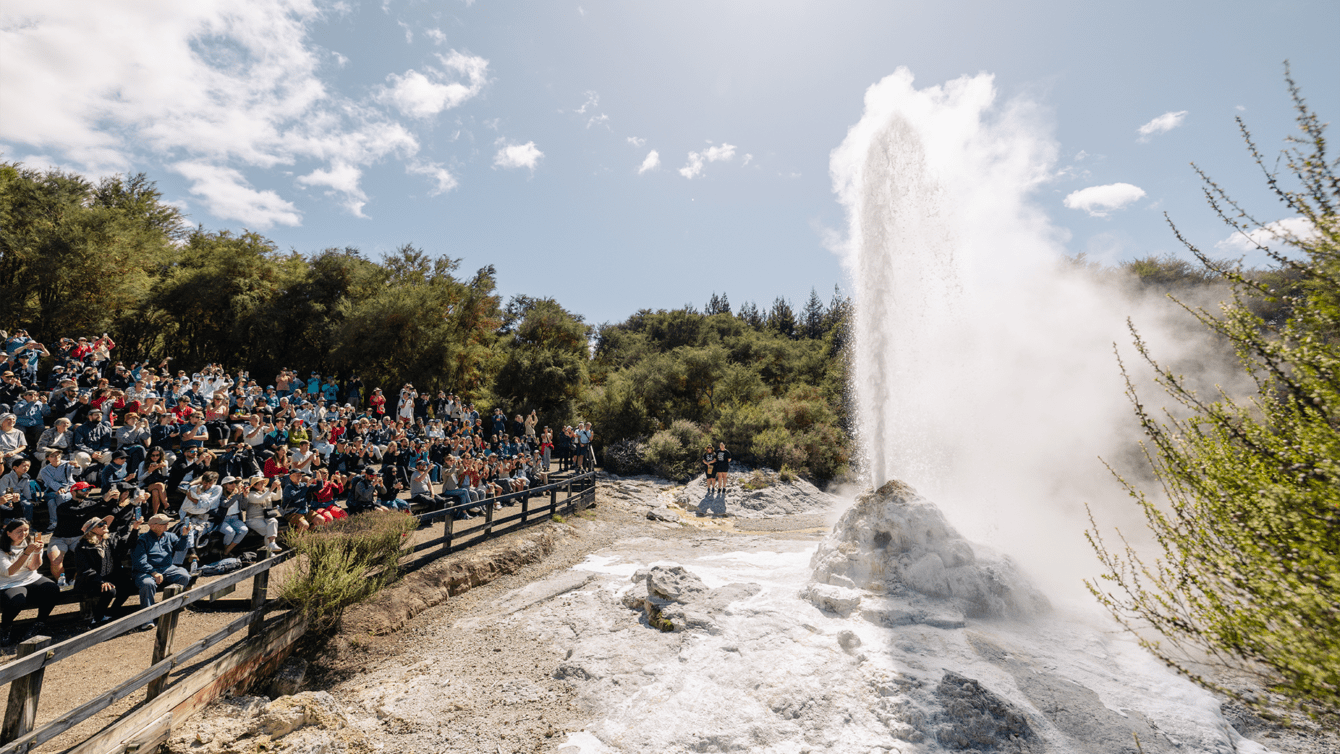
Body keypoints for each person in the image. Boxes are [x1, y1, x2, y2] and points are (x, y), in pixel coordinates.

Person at [0, 520, 59, 645]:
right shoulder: (2, 549)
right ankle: (5, 628)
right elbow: (9, 572)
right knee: (16, 600)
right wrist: (27, 553)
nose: (24, 533)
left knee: (52, 589)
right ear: (8, 533)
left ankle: (39, 623)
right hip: (9, 582)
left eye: (26, 530)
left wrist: (37, 552)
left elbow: (33, 567)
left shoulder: (31, 543)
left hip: (30, 578)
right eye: (19, 531)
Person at [74, 515, 139, 626]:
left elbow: (129, 545)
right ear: (92, 531)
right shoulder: (82, 547)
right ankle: (97, 618)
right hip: (91, 580)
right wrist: (101, 582)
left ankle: (112, 612)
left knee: (130, 584)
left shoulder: (110, 539)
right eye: (100, 524)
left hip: (111, 575)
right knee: (110, 590)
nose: (104, 525)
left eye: (105, 523)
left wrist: (135, 529)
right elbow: (86, 569)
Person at [130, 513, 191, 628]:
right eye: (163, 523)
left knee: (184, 576)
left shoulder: (169, 536)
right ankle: (147, 620)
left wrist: (184, 535)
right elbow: (140, 562)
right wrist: (154, 572)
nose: (167, 525)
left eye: (167, 522)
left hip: (167, 568)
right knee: (147, 583)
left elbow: (180, 548)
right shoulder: (142, 540)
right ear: (152, 526)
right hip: (146, 571)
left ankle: (169, 608)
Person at [243, 476, 283, 553]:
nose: (263, 485)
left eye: (263, 483)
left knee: (274, 521)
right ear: (254, 486)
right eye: (260, 483)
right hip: (253, 519)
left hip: (266, 517)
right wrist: (271, 489)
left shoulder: (266, 491)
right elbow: (260, 499)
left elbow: (278, 497)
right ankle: (269, 551)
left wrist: (279, 488)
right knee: (268, 530)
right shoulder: (250, 494)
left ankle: (271, 546)